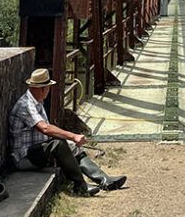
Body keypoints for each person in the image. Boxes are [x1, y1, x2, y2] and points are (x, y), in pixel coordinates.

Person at [9, 68, 127, 196]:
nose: (48, 91)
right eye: (48, 88)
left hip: (36, 151)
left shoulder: (37, 101)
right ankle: (80, 186)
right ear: (42, 89)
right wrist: (73, 136)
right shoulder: (26, 105)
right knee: (58, 144)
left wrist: (71, 140)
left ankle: (104, 179)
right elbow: (45, 128)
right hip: (24, 157)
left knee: (71, 146)